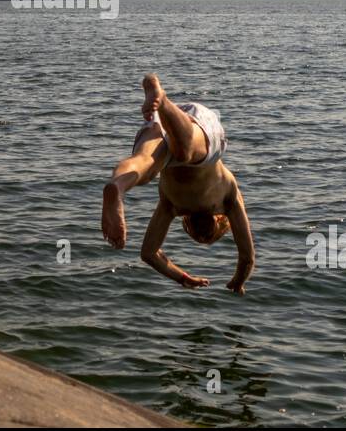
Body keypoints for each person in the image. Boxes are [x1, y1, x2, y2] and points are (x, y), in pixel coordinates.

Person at [100, 73, 255, 294]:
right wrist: (239, 281)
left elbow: (149, 253)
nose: (202, 237)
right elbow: (247, 257)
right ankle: (161, 100)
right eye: (208, 238)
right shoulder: (228, 202)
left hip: (168, 127)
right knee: (185, 152)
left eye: (199, 238)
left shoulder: (172, 206)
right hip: (198, 129)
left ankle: (118, 187)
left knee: (145, 165)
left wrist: (182, 278)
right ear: (221, 222)